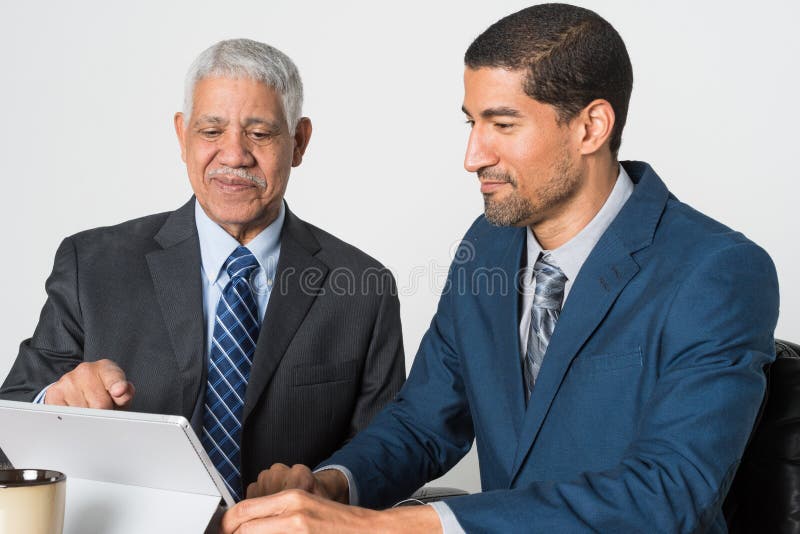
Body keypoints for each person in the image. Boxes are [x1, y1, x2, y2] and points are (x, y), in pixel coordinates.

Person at [220, 4, 780, 533]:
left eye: (503, 125)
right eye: (471, 123)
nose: (473, 156)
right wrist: (330, 488)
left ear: (591, 127)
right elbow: (424, 422)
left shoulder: (718, 272)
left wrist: (387, 526)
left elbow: (669, 494)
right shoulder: (487, 245)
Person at [0, 39, 405, 502]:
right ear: (182, 135)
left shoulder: (363, 289)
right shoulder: (90, 265)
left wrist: (326, 483)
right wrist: (52, 402)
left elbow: (390, 449)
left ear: (299, 141)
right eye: (211, 132)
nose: (233, 156)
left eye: (260, 133)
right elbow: (8, 422)